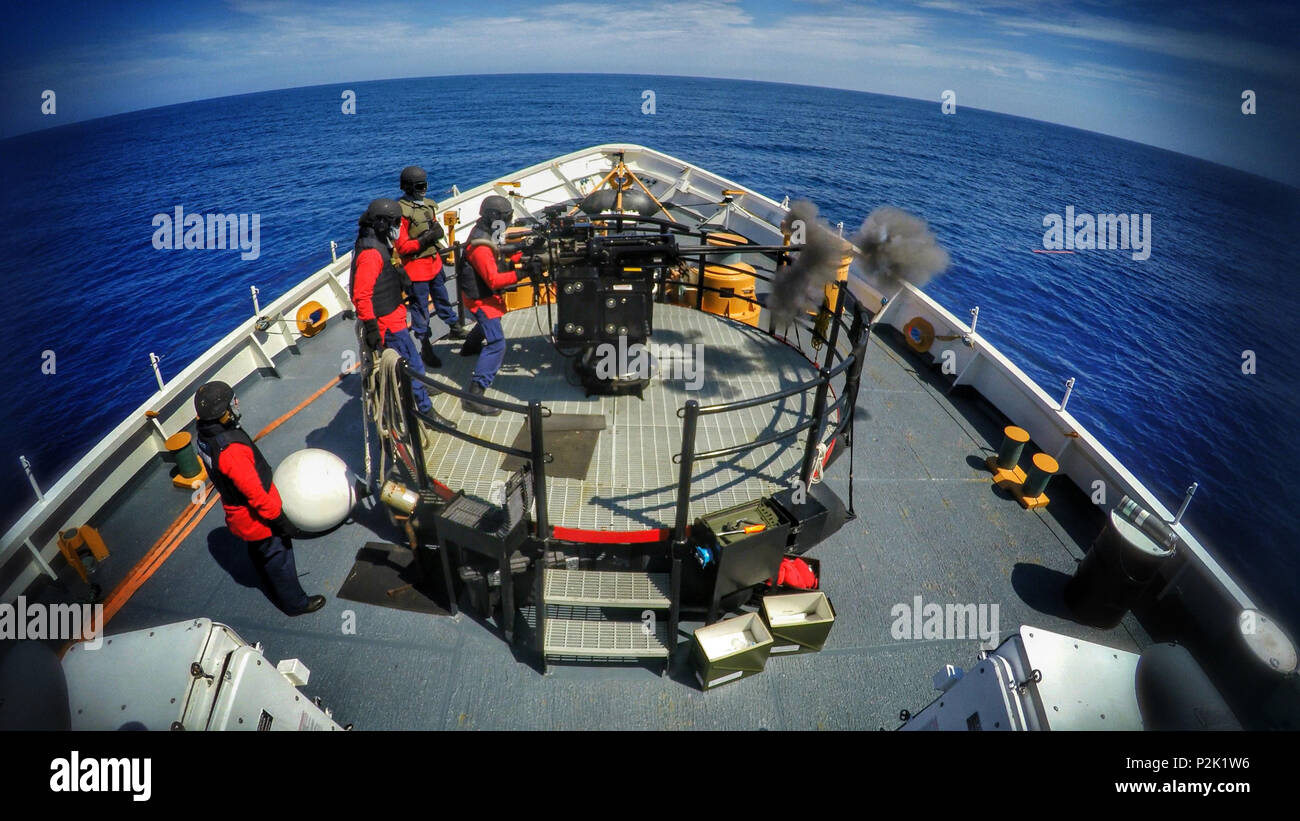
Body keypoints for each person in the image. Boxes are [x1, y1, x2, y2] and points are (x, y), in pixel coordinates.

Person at [193, 381, 325, 616]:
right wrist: (279, 520)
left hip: (237, 516)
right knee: (279, 558)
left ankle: (265, 578)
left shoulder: (205, 436)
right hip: (257, 520)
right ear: (221, 414)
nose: (236, 404)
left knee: (258, 552)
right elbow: (254, 493)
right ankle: (296, 604)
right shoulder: (231, 450)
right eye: (231, 402)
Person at [351, 198, 456, 429]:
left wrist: (398, 273)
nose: (398, 227)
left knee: (411, 361)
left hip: (393, 314)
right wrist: (371, 329)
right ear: (382, 224)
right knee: (413, 364)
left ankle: (419, 389)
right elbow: (361, 296)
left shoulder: (377, 242)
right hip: (388, 322)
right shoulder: (371, 254)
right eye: (395, 223)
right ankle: (426, 412)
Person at [457, 195, 524, 416]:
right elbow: (494, 280)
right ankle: (474, 395)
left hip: (478, 295)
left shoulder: (486, 233)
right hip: (479, 300)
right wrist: (521, 273)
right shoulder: (480, 246)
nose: (508, 222)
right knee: (497, 343)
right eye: (506, 218)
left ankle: (470, 347)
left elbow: (499, 253)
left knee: (491, 320)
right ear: (494, 216)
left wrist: (521, 252)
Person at [395, 166, 467, 370]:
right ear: (408, 188)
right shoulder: (402, 213)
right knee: (420, 309)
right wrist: (426, 238)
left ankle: (454, 326)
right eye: (419, 186)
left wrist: (436, 234)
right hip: (416, 269)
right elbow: (402, 246)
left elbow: (435, 226)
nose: (423, 189)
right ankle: (425, 344)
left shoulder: (427, 206)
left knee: (442, 298)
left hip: (433, 264)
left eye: (424, 185)